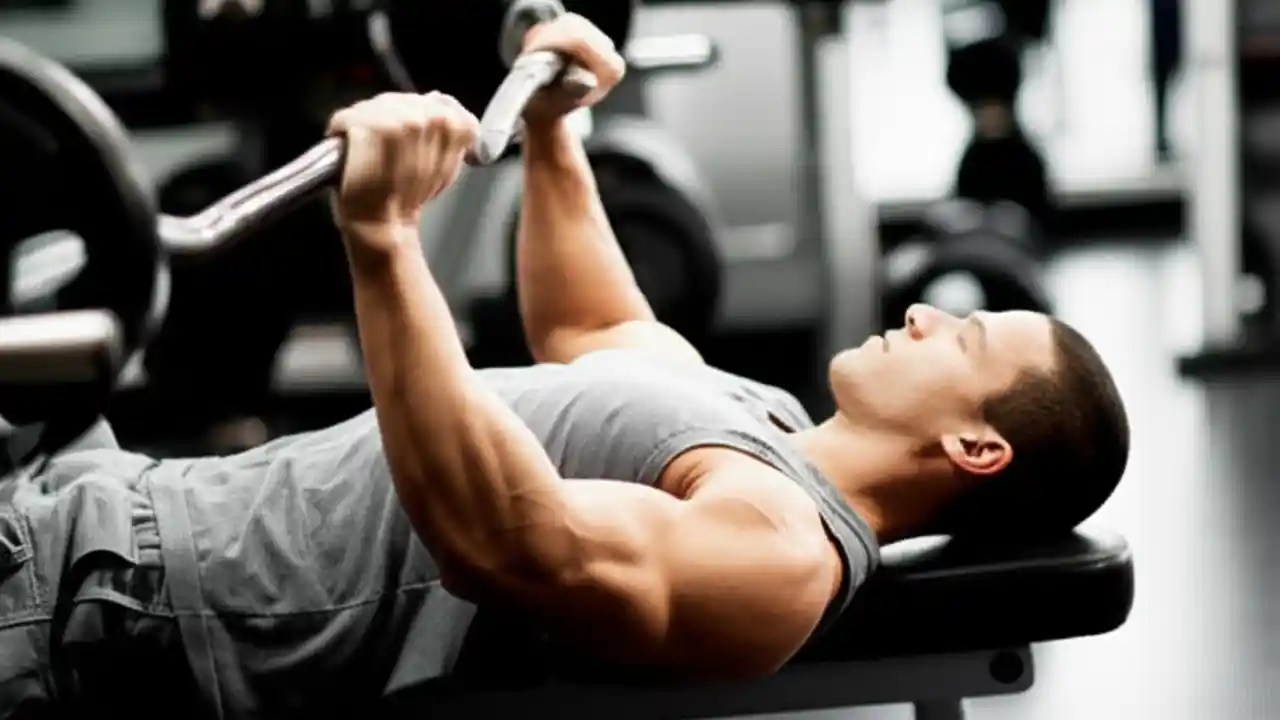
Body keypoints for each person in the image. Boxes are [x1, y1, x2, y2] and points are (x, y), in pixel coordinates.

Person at [0, 13, 1130, 720]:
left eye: (965, 341)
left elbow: (515, 544)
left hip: (95, 613)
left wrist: (385, 243)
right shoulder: (761, 423)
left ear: (974, 447)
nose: (930, 308)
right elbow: (592, 330)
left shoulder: (783, 550)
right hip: (93, 501)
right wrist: (554, 124)